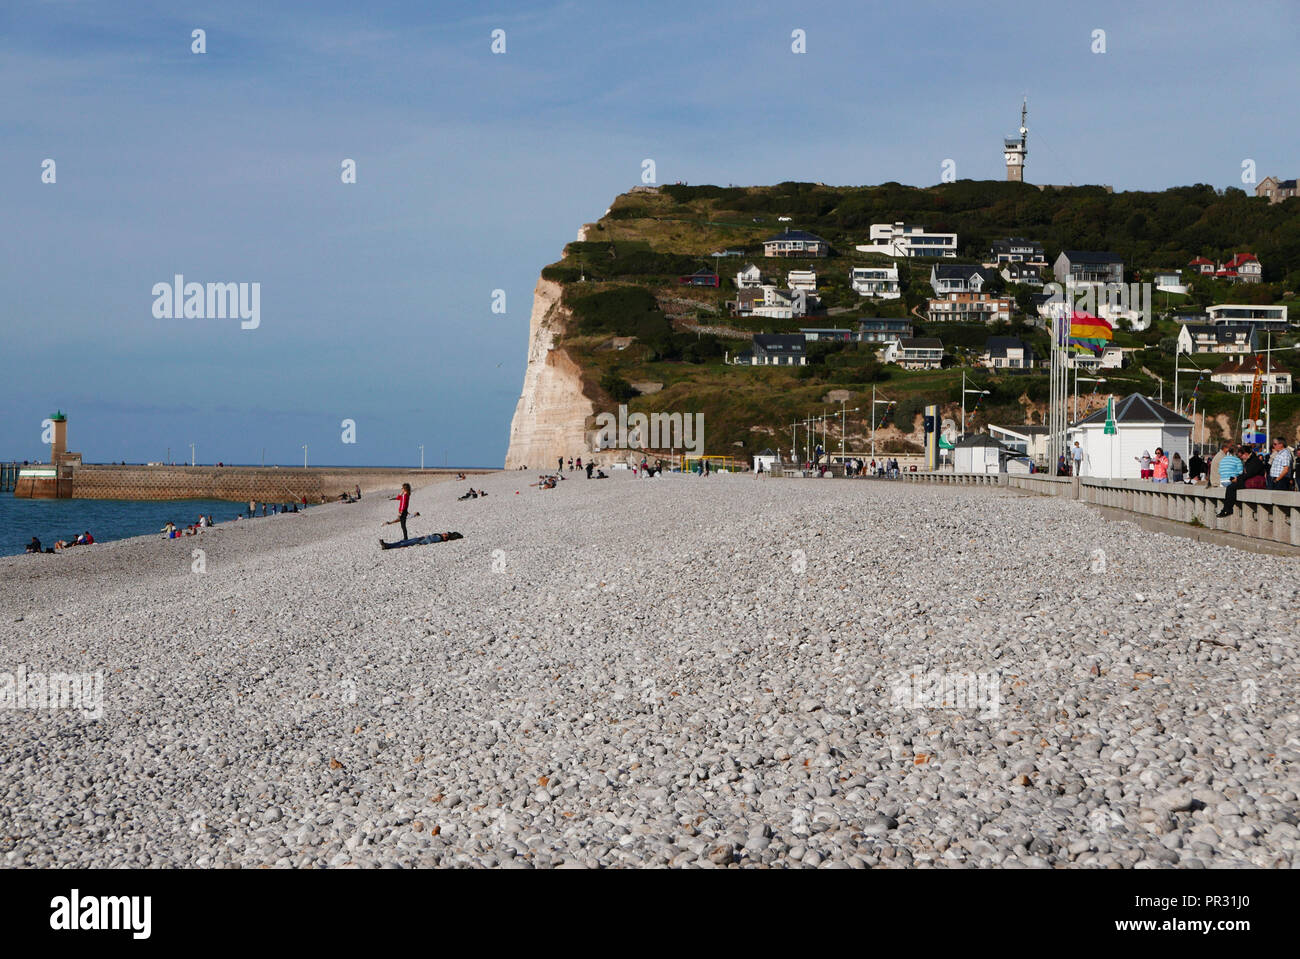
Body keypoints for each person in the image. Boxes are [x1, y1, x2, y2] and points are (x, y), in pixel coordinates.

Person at [1216, 446, 1244, 517]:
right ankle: (1228, 509)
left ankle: (1225, 509)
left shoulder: (1223, 459)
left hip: (1222, 481)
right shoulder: (1237, 460)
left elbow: (1219, 471)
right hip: (1231, 480)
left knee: (1229, 490)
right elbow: (1240, 472)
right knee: (1232, 488)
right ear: (1237, 453)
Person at [380, 530, 463, 550]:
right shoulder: (439, 536)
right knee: (403, 542)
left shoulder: (439, 538)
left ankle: (388, 546)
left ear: (446, 538)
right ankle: (388, 545)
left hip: (419, 541)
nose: (444, 533)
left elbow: (429, 540)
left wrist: (423, 538)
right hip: (420, 539)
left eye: (446, 534)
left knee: (403, 543)